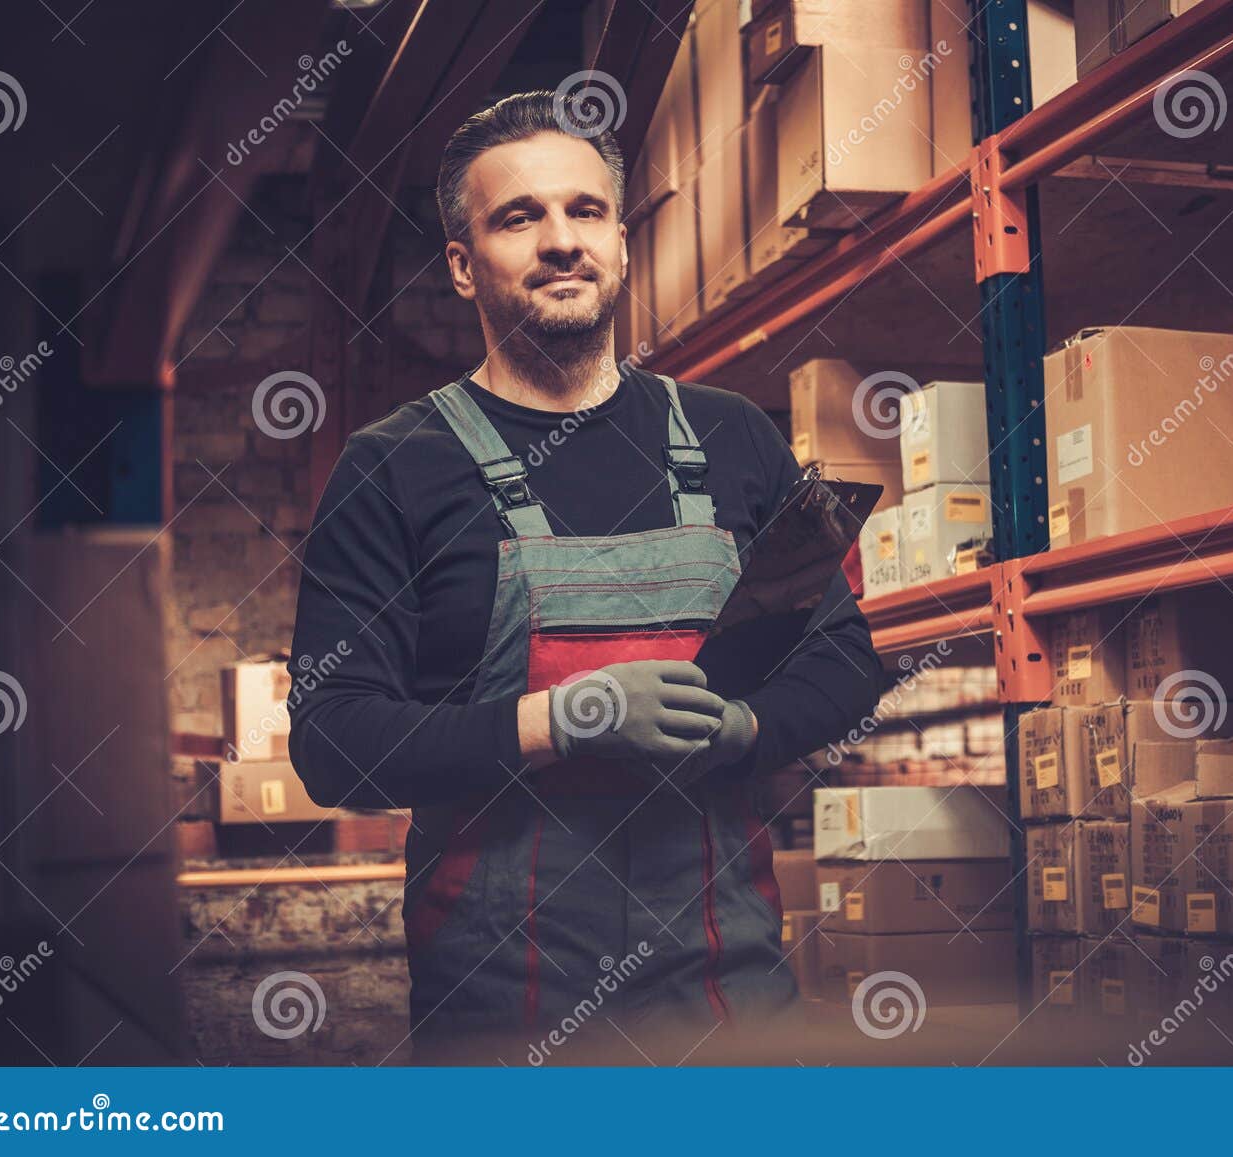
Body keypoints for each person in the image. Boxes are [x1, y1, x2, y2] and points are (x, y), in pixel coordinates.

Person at [286, 89, 883, 1062]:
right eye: (519, 217)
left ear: (619, 242)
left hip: (729, 989)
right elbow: (332, 739)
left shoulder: (734, 436)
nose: (561, 239)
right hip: (501, 1003)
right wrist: (560, 720)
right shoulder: (393, 465)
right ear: (462, 264)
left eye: (586, 210)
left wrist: (747, 728)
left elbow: (843, 659)